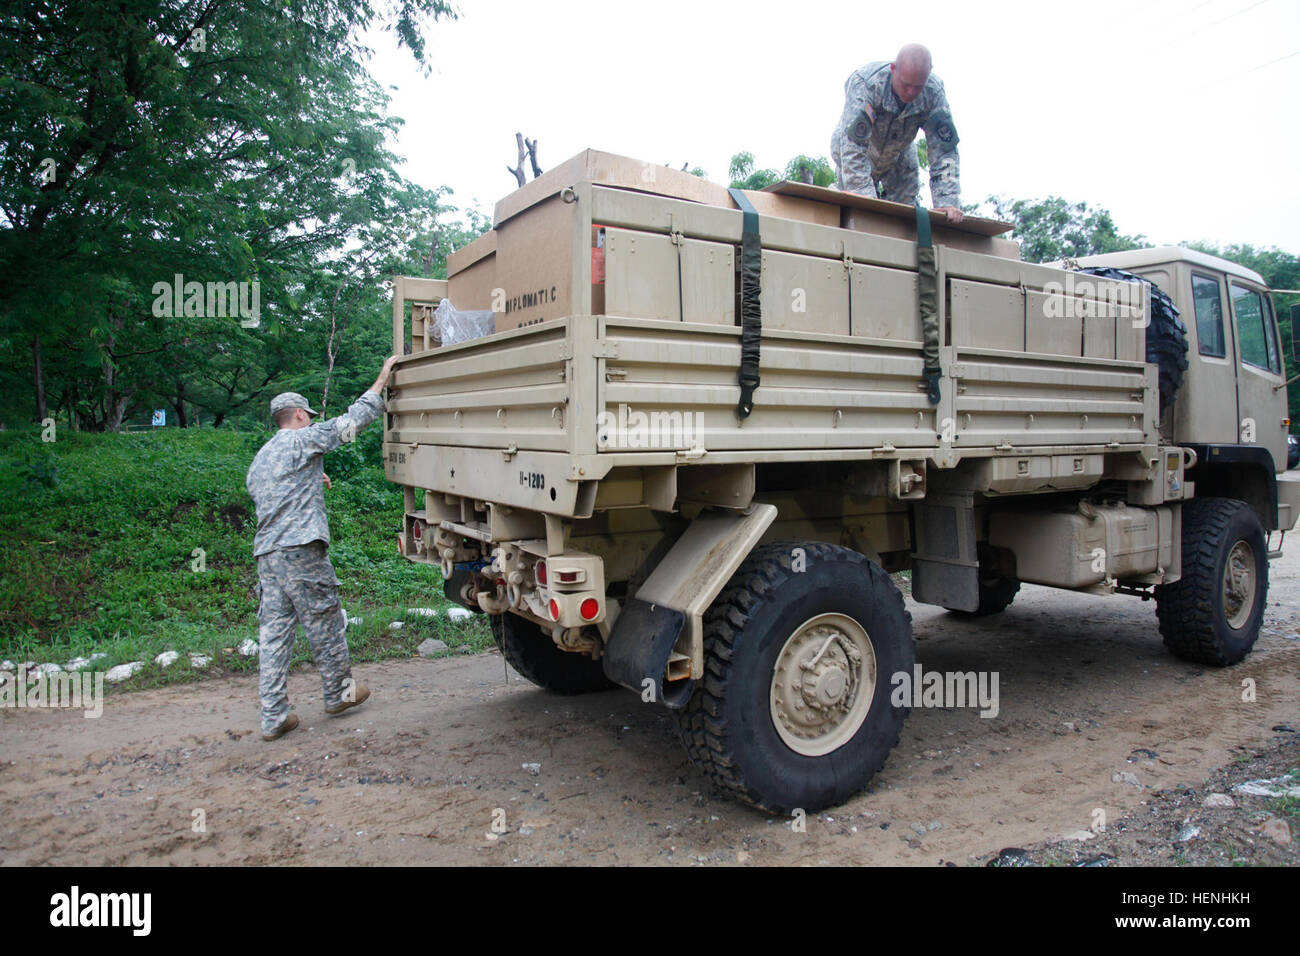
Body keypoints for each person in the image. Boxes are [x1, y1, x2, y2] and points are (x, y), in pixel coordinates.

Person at [246, 356, 398, 741]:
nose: (311, 420)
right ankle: (338, 694)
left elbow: (269, 494)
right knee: (325, 622)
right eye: (309, 415)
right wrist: (381, 380)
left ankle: (273, 717)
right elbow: (348, 426)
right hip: (300, 551)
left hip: (268, 555)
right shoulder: (301, 440)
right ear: (298, 415)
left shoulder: (262, 458)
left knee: (275, 634)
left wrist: (313, 477)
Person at [830, 43, 963, 223]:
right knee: (861, 212)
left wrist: (947, 202)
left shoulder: (933, 92)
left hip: (899, 154)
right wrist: (864, 197)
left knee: (904, 216)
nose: (911, 92)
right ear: (893, 69)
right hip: (861, 150)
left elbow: (944, 151)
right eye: (906, 84)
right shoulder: (867, 84)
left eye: (918, 87)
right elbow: (852, 146)